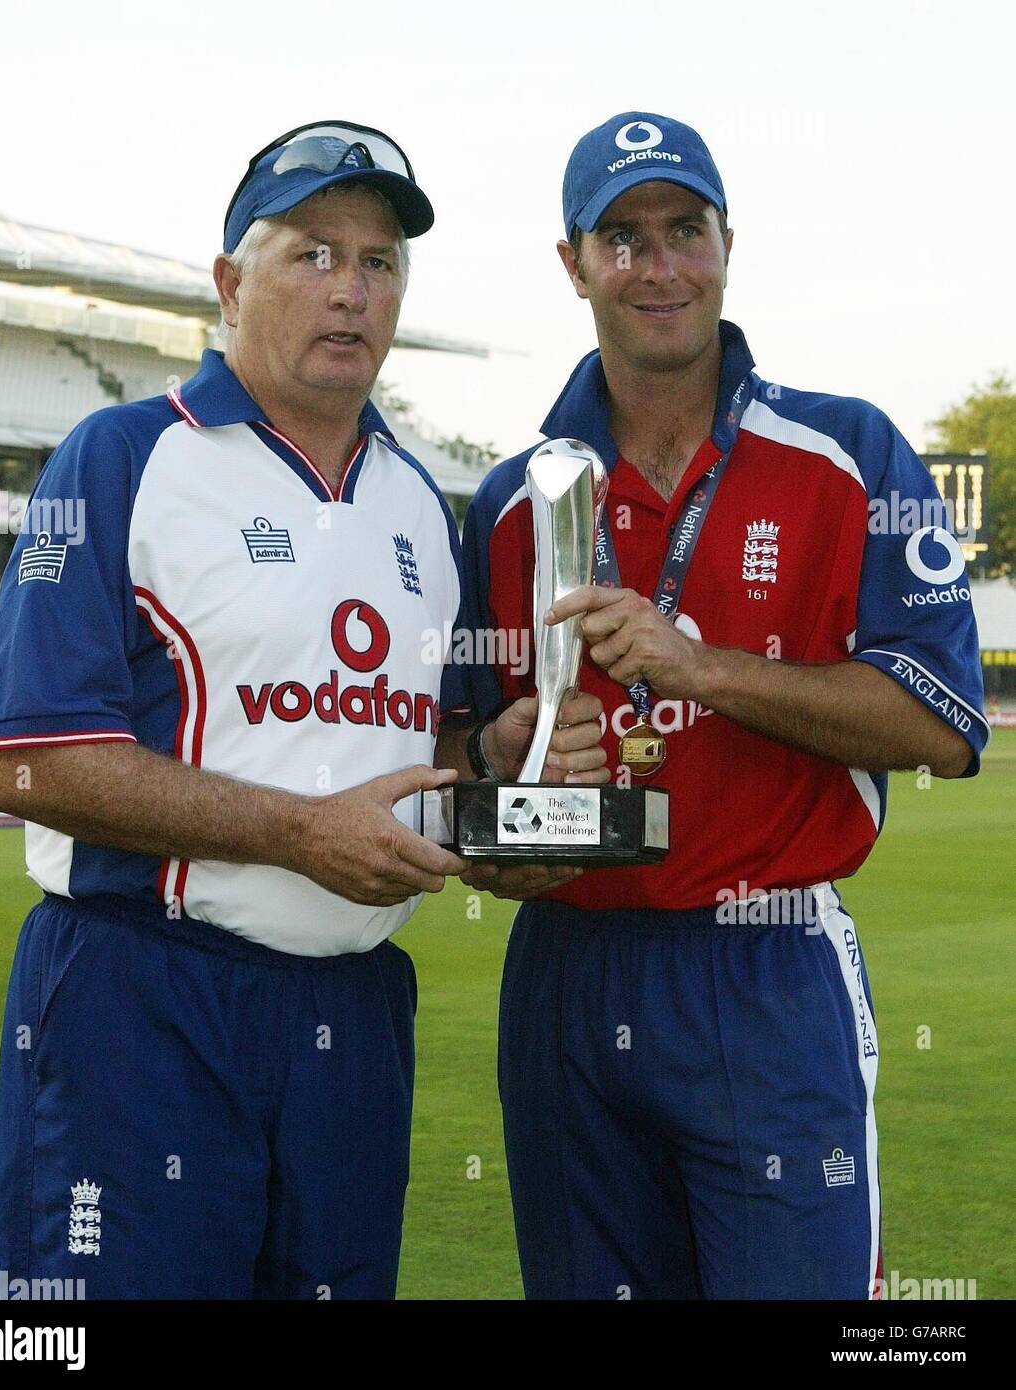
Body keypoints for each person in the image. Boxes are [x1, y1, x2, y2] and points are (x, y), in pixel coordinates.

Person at [0, 120, 605, 1301]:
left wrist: (499, 758)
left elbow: (438, 745)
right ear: (228, 282)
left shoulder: (420, 499)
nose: (350, 290)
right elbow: (20, 762)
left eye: (378, 262)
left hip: (352, 1020)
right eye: (311, 253)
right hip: (142, 998)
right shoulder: (120, 457)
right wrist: (301, 830)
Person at [452, 111, 988, 1300]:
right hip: (565, 969)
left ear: (726, 245)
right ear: (572, 264)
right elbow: (462, 770)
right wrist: (502, 777)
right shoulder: (507, 499)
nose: (658, 267)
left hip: (765, 964)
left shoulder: (845, 455)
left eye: (683, 231)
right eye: (623, 238)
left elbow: (945, 724)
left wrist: (702, 667)